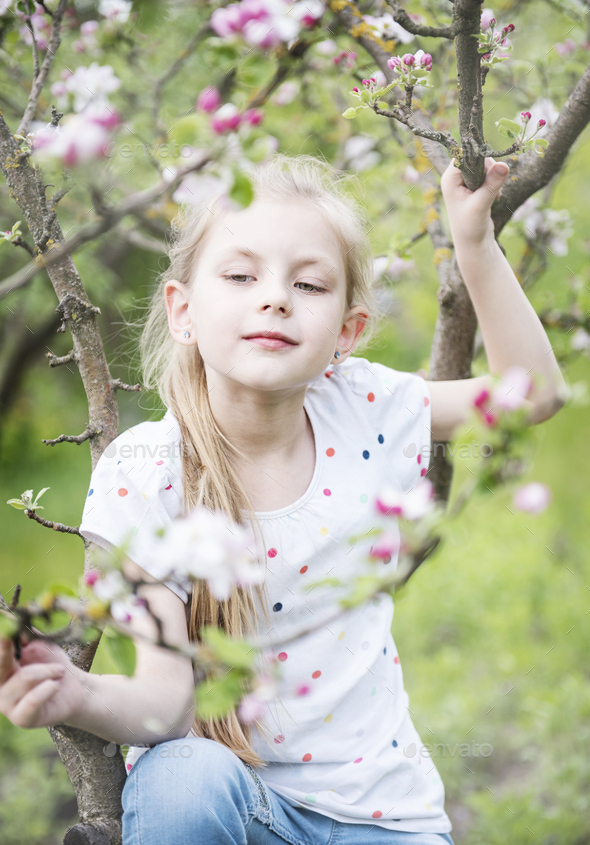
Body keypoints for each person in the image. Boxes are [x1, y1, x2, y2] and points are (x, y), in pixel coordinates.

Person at [0, 153, 566, 845]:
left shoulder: (364, 408)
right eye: (240, 276)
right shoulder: (145, 473)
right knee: (182, 779)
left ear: (346, 333)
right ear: (183, 310)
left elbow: (532, 393)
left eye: (308, 283)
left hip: (380, 820)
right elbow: (164, 700)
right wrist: (74, 692)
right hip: (231, 802)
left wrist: (475, 245)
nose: (274, 297)